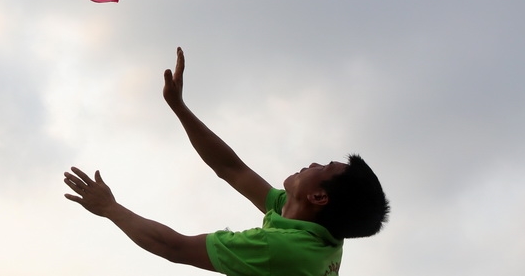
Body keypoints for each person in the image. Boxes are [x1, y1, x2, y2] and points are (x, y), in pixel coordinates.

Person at [64, 47, 390, 275]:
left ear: (319, 196)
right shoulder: (320, 227)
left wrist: (109, 207)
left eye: (325, 168)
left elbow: (173, 248)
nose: (315, 163)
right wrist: (179, 108)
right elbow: (232, 170)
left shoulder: (281, 249)